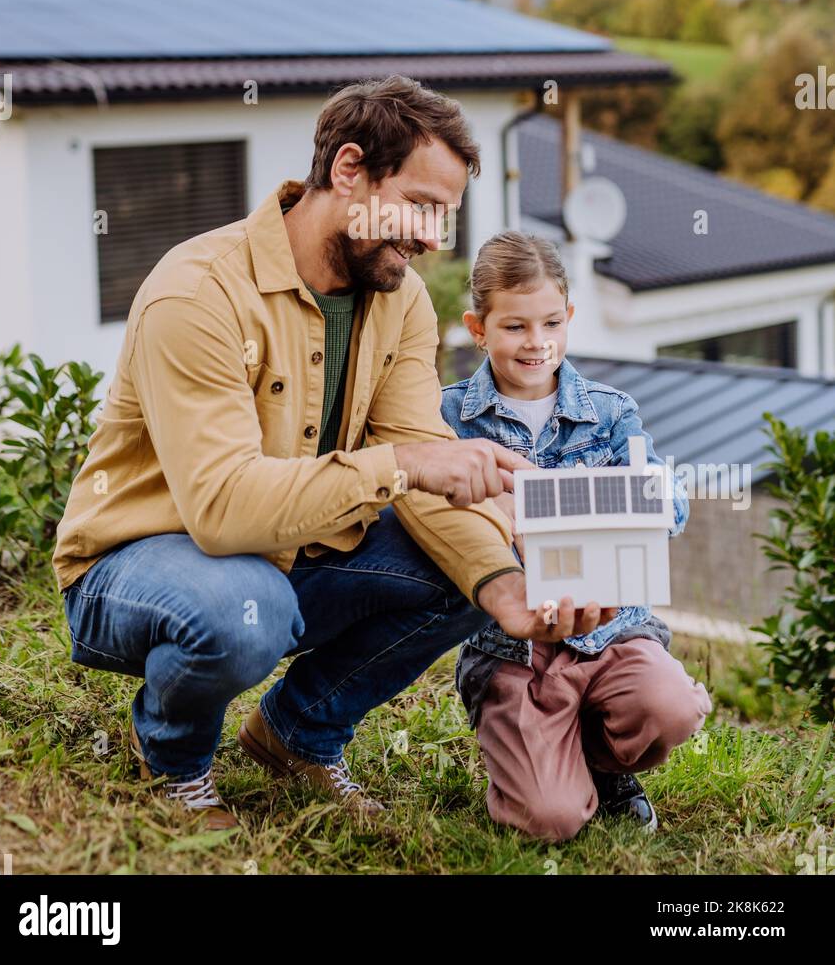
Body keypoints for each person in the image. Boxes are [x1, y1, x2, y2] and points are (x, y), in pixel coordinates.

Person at [53, 78, 611, 830]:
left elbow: (423, 464)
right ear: (349, 171)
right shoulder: (197, 293)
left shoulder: (400, 298)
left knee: (463, 559)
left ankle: (297, 737)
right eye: (419, 206)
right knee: (245, 611)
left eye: (445, 215)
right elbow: (221, 512)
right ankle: (175, 763)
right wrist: (406, 465)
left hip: (287, 559)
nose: (431, 237)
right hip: (137, 566)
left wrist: (504, 588)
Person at [441, 231, 713, 842]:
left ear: (568, 319)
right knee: (549, 820)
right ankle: (535, 758)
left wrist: (646, 497)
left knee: (670, 707)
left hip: (611, 628)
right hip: (512, 648)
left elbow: (669, 501)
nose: (537, 343)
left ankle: (603, 764)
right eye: (514, 327)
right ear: (478, 328)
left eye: (550, 323)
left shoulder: (613, 411)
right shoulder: (448, 417)